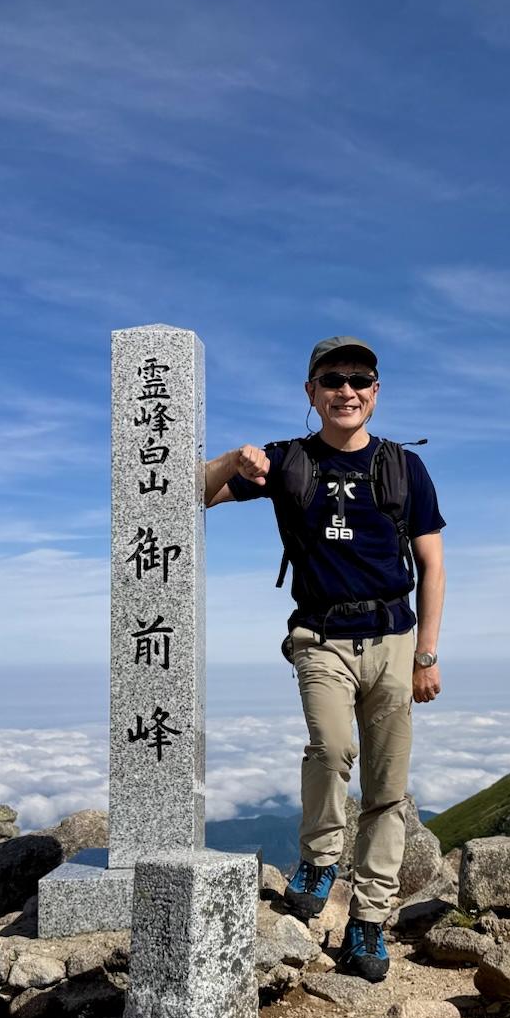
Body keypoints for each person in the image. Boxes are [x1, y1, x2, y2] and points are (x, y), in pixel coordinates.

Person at [202, 336, 445, 982]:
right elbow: (187, 496)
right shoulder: (287, 462)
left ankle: (367, 922)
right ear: (310, 392)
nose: (347, 390)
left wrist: (427, 653)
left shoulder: (403, 468)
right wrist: (234, 459)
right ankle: (319, 857)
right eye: (332, 379)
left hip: (394, 640)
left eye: (360, 380)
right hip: (320, 638)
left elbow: (432, 563)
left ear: (376, 392)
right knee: (333, 749)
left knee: (388, 788)